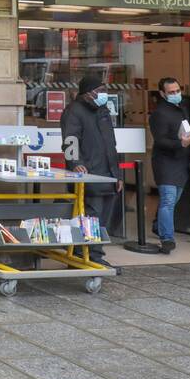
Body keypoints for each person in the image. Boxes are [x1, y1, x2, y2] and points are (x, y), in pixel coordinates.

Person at [59, 73, 122, 266]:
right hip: (89, 175)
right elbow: (70, 141)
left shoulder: (102, 110)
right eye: (100, 91)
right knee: (92, 218)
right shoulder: (74, 111)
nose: (104, 94)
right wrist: (76, 163)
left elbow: (111, 144)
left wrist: (117, 174)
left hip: (108, 174)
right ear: (88, 93)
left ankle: (84, 254)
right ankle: (92, 257)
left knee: (101, 220)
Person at [149, 77, 190, 254]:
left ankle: (158, 225)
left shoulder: (182, 109)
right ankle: (167, 238)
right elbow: (161, 140)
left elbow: (184, 133)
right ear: (162, 94)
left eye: (177, 91)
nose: (176, 94)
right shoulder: (159, 114)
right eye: (171, 92)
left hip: (181, 162)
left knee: (173, 199)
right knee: (168, 200)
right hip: (166, 163)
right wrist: (181, 144)